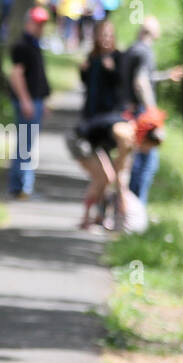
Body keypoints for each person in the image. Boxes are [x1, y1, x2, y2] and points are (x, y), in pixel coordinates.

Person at [71, 19, 135, 230]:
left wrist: (113, 71)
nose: (106, 39)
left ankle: (105, 214)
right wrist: (84, 71)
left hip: (110, 121)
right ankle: (98, 213)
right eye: (103, 34)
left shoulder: (119, 57)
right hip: (93, 123)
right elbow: (87, 86)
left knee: (112, 174)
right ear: (97, 36)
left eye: (109, 35)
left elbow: (124, 85)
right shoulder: (92, 58)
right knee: (103, 174)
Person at [120, 17, 183, 204]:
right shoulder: (145, 53)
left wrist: (166, 76)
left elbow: (145, 77)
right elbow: (140, 83)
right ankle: (136, 211)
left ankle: (127, 209)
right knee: (146, 164)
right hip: (142, 114)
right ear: (154, 32)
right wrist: (152, 113)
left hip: (129, 111)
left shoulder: (132, 50)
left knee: (133, 162)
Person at [7, 7, 51, 200]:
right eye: (37, 23)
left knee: (28, 145)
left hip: (36, 101)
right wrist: (26, 101)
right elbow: (16, 75)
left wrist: (42, 100)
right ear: (29, 22)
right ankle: (21, 187)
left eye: (43, 24)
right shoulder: (23, 46)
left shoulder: (35, 45)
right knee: (25, 146)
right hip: (28, 103)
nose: (40, 27)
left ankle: (24, 186)